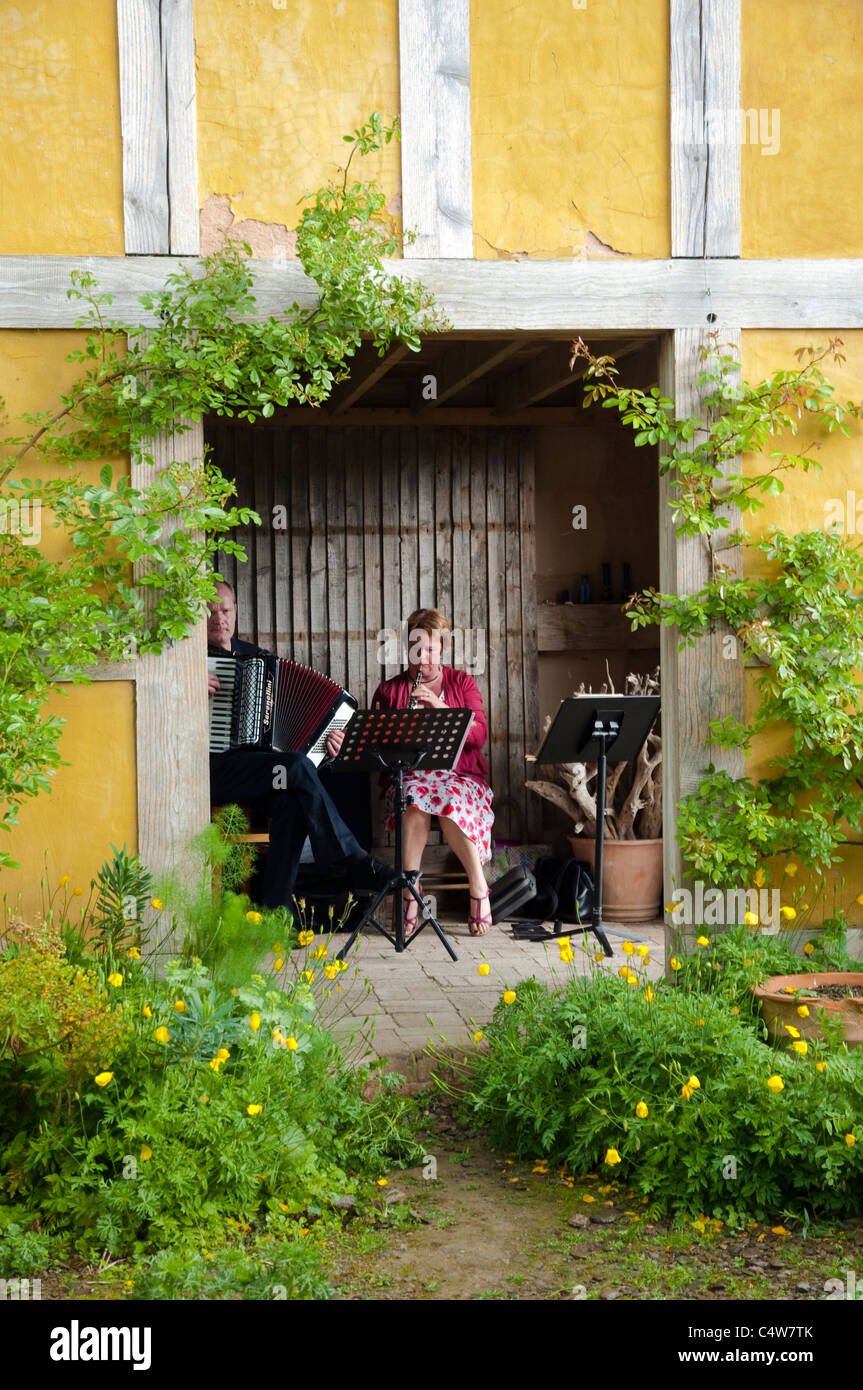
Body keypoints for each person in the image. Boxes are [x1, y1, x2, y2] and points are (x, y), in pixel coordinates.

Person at [207, 577, 390, 910]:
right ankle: (350, 858)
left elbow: (291, 731)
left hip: (262, 772)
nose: (219, 617)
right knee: (294, 767)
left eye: (226, 609)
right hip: (214, 770)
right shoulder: (186, 662)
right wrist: (189, 685)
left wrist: (326, 742)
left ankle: (276, 915)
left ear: (236, 613)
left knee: (292, 801)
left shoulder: (258, 659)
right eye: (210, 610)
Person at [330, 608, 494, 937]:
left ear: (442, 650)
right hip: (411, 778)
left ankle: (478, 885)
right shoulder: (389, 692)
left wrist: (441, 708)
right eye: (417, 650)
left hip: (459, 780)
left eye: (431, 650)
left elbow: (478, 736)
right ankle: (410, 893)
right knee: (413, 798)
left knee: (449, 801)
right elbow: (373, 745)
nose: (424, 658)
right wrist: (349, 741)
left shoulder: (461, 682)